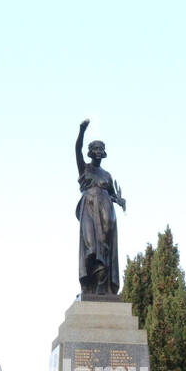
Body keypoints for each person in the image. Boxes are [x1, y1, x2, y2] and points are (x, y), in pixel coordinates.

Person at [74, 118, 126, 295]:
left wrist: (119, 200)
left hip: (105, 210)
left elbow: (112, 194)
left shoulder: (107, 175)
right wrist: (82, 131)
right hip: (88, 206)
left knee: (105, 246)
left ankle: (101, 286)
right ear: (90, 152)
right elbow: (76, 150)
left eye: (101, 149)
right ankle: (87, 283)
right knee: (90, 247)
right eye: (95, 149)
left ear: (104, 153)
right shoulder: (85, 169)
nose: (98, 151)